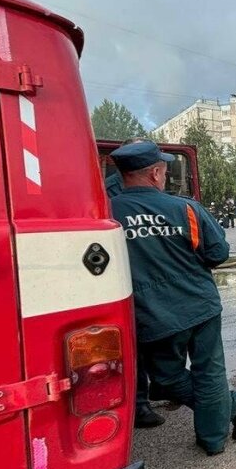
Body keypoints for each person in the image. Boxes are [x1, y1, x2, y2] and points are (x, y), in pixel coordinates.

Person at [109, 141, 236, 456]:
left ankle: (217, 432)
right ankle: (221, 424)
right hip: (199, 306)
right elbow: (218, 252)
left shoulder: (106, 214)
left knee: (166, 378)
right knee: (208, 373)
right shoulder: (184, 209)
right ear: (156, 173)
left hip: (150, 314)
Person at [105, 141, 163, 430]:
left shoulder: (111, 192)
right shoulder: (111, 196)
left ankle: (155, 390)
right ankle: (140, 405)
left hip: (135, 277)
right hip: (131, 279)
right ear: (152, 171)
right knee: (137, 343)